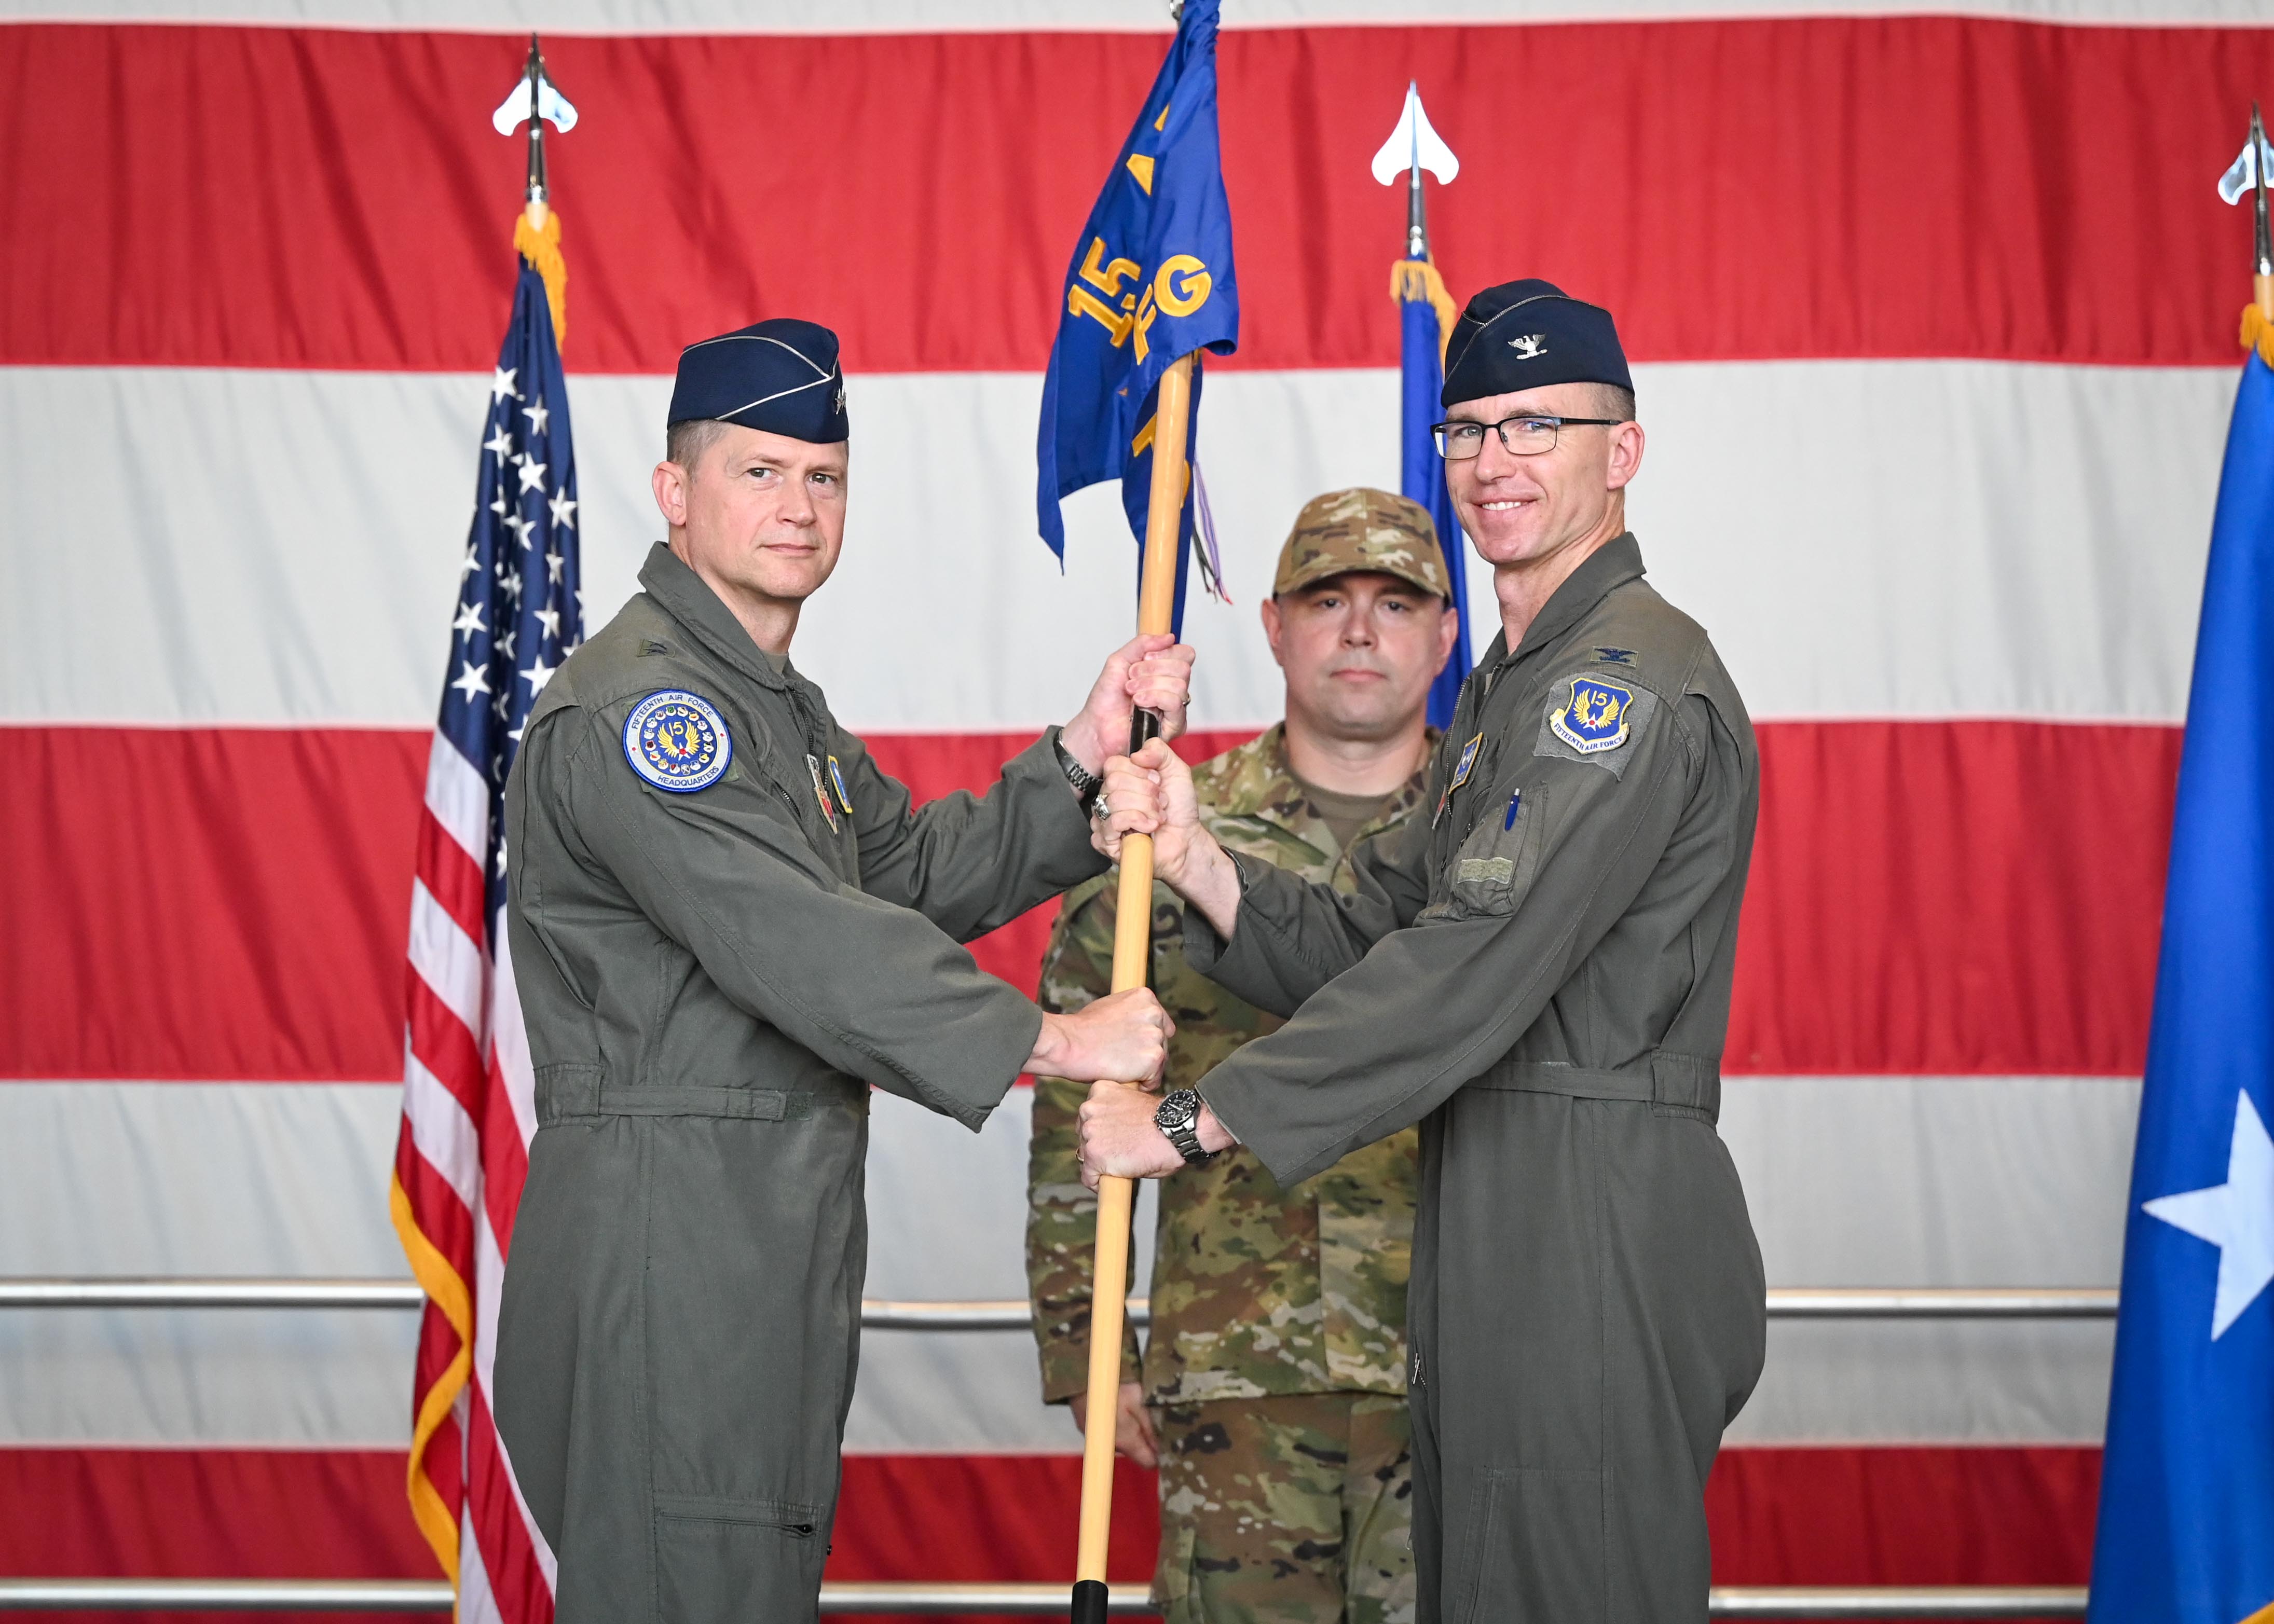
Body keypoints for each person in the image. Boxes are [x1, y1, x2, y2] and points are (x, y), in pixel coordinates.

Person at [1078, 281, 1768, 1623]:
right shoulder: (1508, 691)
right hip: (1495, 1212)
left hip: (1586, 1223)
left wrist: (1194, 1117)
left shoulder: (1613, 685)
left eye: (1534, 426)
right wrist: (1202, 854)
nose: (1492, 463)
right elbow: (1362, 930)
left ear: (1617, 453)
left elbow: (1469, 962)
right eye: (1465, 431)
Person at [493, 318, 1189, 1623]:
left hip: (757, 1236)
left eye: (823, 475)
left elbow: (907, 873)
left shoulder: (773, 705)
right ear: (673, 492)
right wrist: (1058, 1041)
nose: (798, 505)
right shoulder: (652, 711)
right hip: (672, 1242)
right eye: (757, 471)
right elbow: (802, 940)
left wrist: (1082, 756)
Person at [1028, 488, 1459, 1624]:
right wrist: (1087, 1347)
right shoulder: (1168, 829)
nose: (1360, 630)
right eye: (1328, 599)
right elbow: (1079, 1095)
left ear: (1447, 633)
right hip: (1235, 1367)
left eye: (1395, 601)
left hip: (1459, 1362)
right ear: (1271, 625)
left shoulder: (1500, 836)